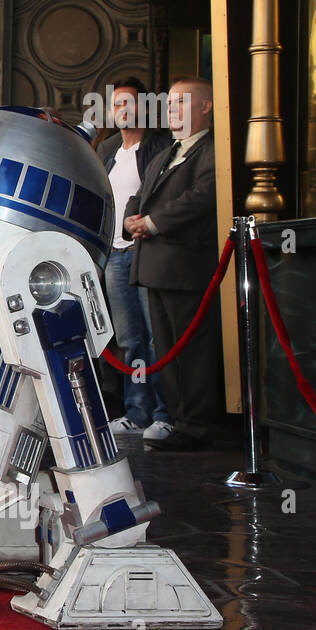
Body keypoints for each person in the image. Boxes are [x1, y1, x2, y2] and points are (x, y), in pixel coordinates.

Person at [122, 77, 223, 450]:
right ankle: (179, 421)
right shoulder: (166, 152)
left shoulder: (213, 148)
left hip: (186, 265)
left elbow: (204, 195)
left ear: (206, 107)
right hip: (152, 265)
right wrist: (131, 219)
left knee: (192, 350)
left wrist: (152, 222)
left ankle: (196, 425)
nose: (171, 110)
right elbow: (138, 194)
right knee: (165, 350)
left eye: (180, 102)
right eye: (169, 104)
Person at [97, 77, 173, 440]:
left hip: (147, 251)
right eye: (117, 104)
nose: (122, 110)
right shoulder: (108, 148)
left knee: (157, 336)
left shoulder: (160, 145)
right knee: (130, 340)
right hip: (114, 254)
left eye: (129, 103)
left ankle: (164, 413)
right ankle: (137, 412)